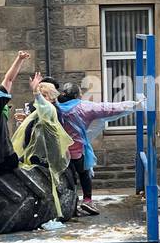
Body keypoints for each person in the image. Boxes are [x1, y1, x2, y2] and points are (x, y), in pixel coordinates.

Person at [56, 81, 143, 215]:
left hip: (58, 153)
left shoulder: (56, 107)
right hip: (76, 152)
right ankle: (87, 200)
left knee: (67, 179)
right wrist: (133, 105)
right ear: (77, 95)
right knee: (84, 174)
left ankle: (68, 205)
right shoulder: (83, 108)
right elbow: (108, 108)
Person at [12, 79, 73, 224]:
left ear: (51, 98)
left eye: (45, 95)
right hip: (37, 156)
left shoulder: (50, 109)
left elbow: (44, 112)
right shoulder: (42, 111)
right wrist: (26, 118)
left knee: (47, 188)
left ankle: (50, 214)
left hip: (45, 158)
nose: (41, 99)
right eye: (41, 95)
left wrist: (36, 92)